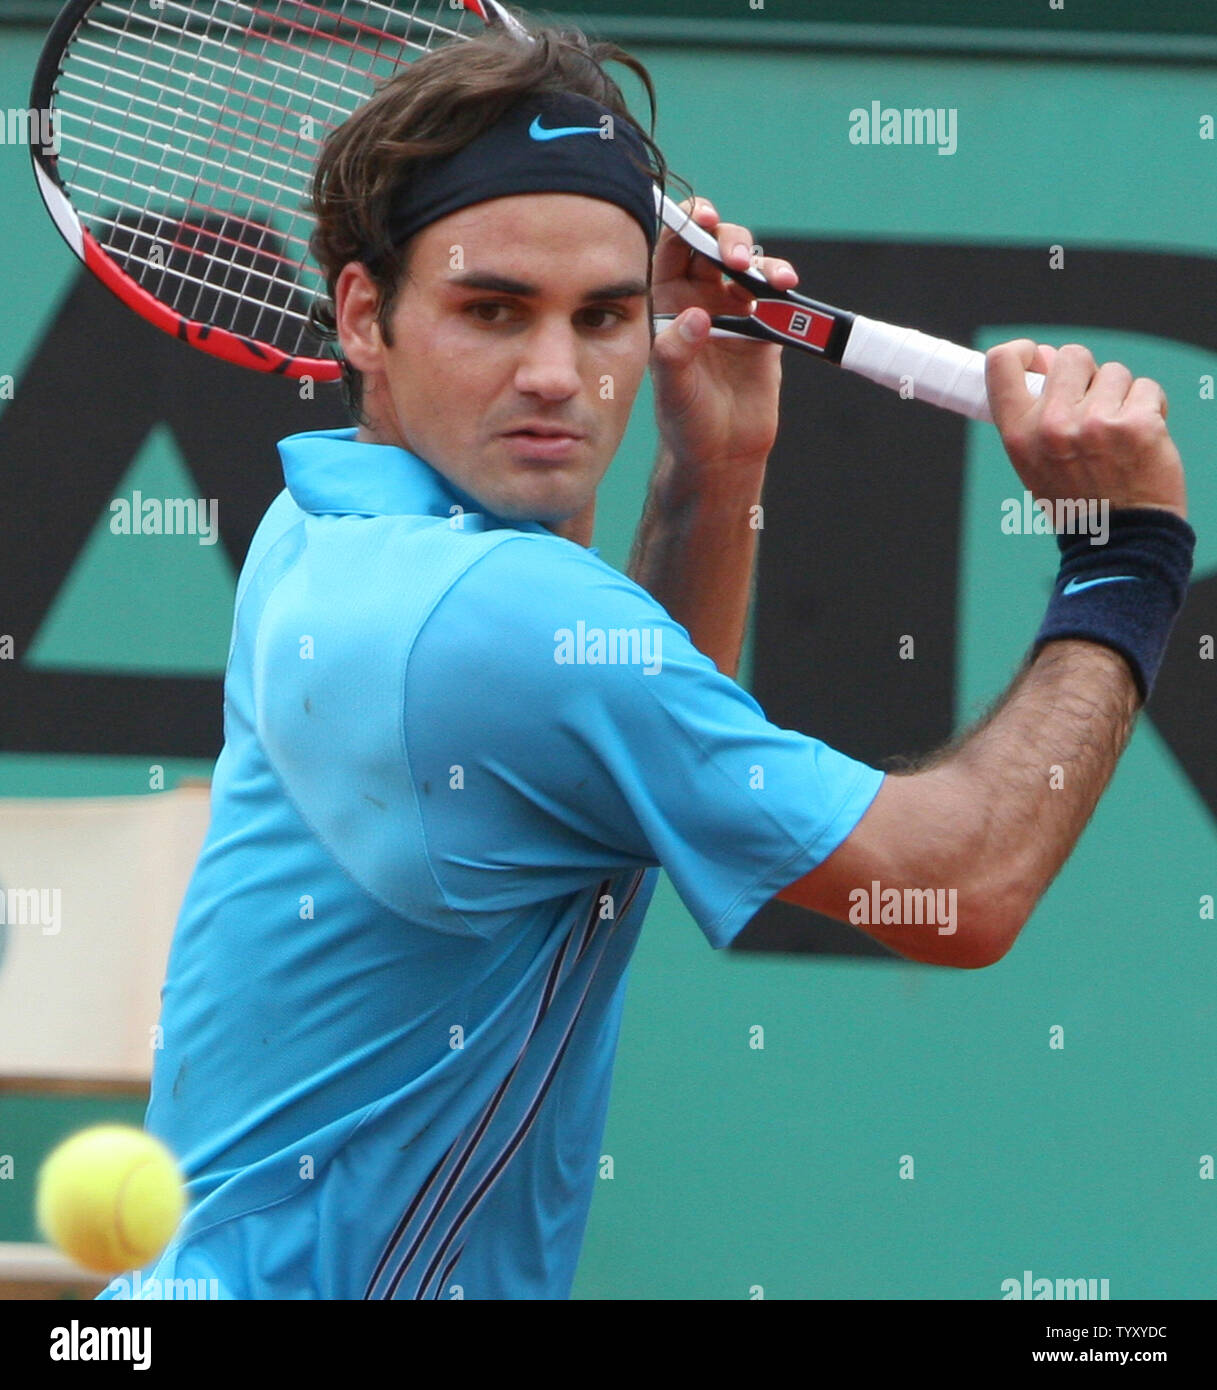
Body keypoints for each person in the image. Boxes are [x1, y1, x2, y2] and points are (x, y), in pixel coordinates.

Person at [99, 23, 1193, 1300]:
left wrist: (711, 467)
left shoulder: (330, 530)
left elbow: (612, 742)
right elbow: (961, 885)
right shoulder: (483, 620)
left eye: (605, 316)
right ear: (361, 314)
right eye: (492, 310)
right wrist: (1125, 558)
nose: (558, 375)